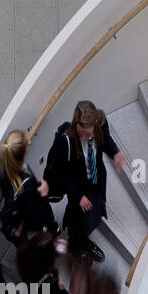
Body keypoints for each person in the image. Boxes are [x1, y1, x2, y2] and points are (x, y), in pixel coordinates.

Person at [44, 100, 127, 263]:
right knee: (79, 218)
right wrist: (78, 195)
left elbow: (106, 141)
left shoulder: (101, 124)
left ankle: (82, 240)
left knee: (95, 211)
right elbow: (59, 173)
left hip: (96, 180)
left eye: (88, 134)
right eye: (80, 132)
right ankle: (76, 245)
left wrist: (115, 153)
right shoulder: (64, 141)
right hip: (77, 187)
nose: (84, 137)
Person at [0, 129, 57, 249]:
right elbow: (35, 215)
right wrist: (44, 194)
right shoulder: (27, 182)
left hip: (12, 222)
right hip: (24, 220)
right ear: (23, 156)